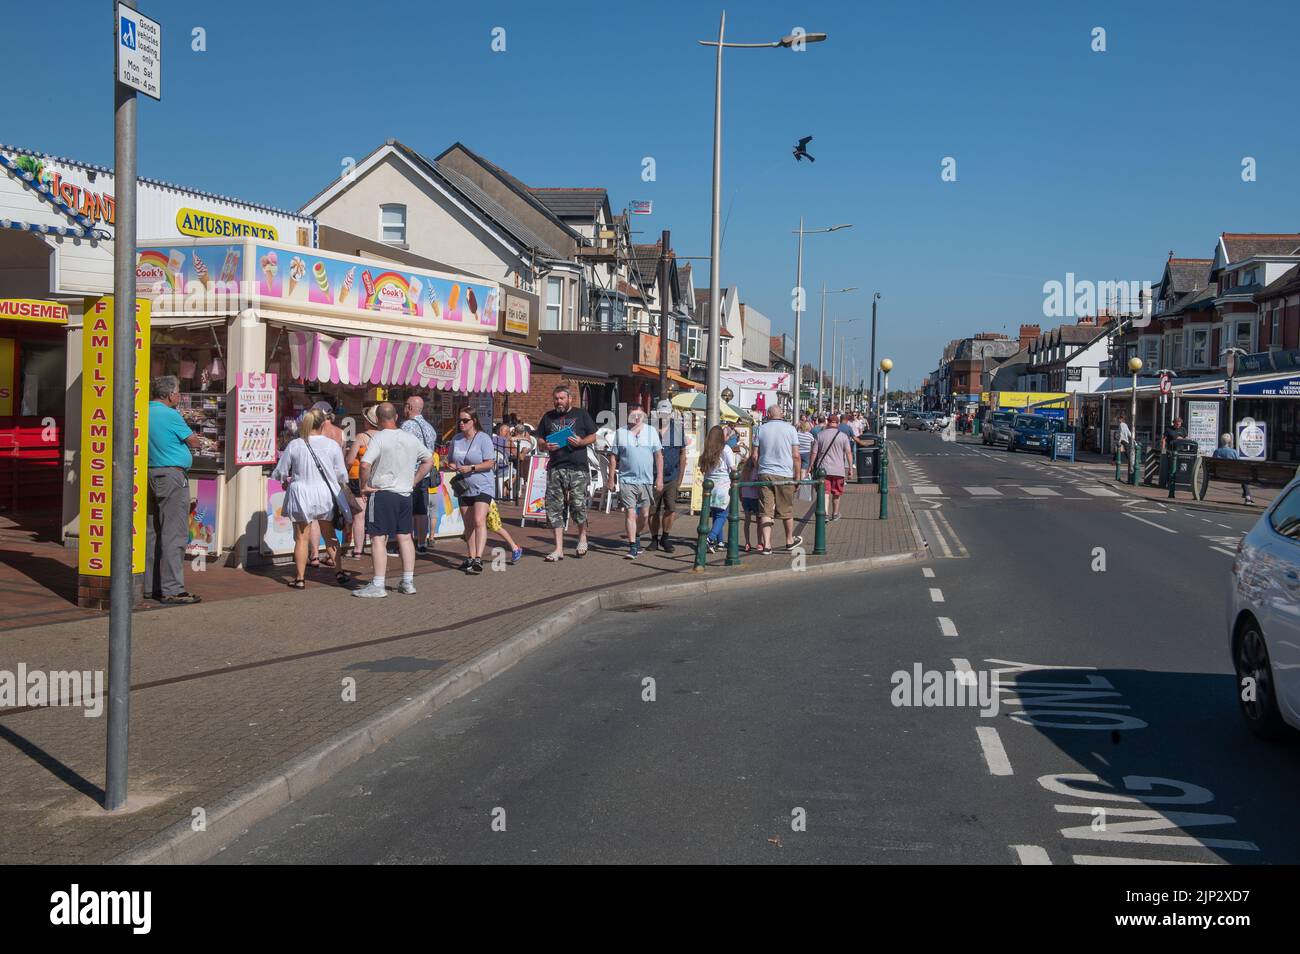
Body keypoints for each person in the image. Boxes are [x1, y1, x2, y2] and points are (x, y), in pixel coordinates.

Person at [353, 402, 435, 598]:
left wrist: (364, 486)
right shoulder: (409, 438)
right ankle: (408, 581)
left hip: (382, 493)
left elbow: (364, 465)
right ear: (396, 417)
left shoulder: (379, 438)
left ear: (378, 419)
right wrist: (414, 481)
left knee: (378, 538)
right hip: (405, 494)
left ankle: (379, 584)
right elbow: (429, 460)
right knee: (405, 536)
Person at [271, 408, 352, 588]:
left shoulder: (296, 444)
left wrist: (286, 480)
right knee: (329, 534)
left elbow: (280, 472)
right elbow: (342, 475)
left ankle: (300, 578)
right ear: (323, 424)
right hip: (324, 494)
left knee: (301, 538)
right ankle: (338, 571)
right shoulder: (331, 445)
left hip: (301, 494)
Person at [145, 376, 203, 605]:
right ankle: (172, 589)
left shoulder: (143, 411)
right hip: (171, 476)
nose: (179, 396)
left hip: (149, 473)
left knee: (152, 533)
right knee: (174, 533)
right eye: (178, 392)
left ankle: (149, 585)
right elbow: (194, 442)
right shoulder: (170, 415)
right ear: (169, 394)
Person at [537, 385, 598, 561]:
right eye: (556, 399)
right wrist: (544, 445)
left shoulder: (581, 414)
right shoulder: (548, 417)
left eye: (562, 398)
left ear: (570, 399)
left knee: (577, 505)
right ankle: (558, 549)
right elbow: (540, 437)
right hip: (556, 466)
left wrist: (581, 442)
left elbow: (593, 435)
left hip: (577, 467)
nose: (558, 402)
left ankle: (582, 538)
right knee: (554, 507)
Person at [447, 408, 500, 574]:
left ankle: (478, 558)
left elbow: (490, 463)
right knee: (468, 523)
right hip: (463, 486)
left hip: (483, 485)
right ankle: (470, 556)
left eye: (465, 420)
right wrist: (452, 466)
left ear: (474, 421)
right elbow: (450, 460)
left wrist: (471, 467)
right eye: (460, 421)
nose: (461, 423)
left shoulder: (483, 439)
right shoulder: (456, 439)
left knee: (478, 520)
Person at [607, 407, 663, 559]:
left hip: (646, 479)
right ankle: (632, 546)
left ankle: (637, 534)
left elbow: (658, 455)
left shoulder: (651, 431)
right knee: (630, 513)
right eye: (634, 415)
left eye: (640, 415)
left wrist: (659, 478)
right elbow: (613, 457)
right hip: (627, 479)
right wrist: (611, 478)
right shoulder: (620, 432)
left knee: (644, 515)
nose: (637, 418)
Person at [751, 405, 803, 555]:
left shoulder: (760, 429)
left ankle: (767, 545)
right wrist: (797, 477)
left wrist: (758, 469)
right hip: (784, 473)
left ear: (768, 415)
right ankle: (789, 541)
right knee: (786, 509)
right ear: (781, 414)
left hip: (765, 472)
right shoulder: (791, 429)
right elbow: (796, 456)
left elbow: (754, 455)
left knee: (765, 510)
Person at [401, 394, 440, 553]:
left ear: (409, 407)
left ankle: (407, 544)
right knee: (421, 511)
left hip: (410, 474)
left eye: (405, 405)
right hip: (425, 474)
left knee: (407, 512)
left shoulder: (407, 426)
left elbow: (401, 450)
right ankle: (422, 544)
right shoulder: (430, 428)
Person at [344, 404, 380, 560]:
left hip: (358, 479)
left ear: (367, 421)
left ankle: (358, 550)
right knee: (376, 515)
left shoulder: (361, 437)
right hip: (377, 479)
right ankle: (377, 547)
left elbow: (350, 460)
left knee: (359, 515)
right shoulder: (383, 436)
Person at [649, 401, 684, 552]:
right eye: (661, 413)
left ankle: (665, 537)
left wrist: (680, 478)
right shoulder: (649, 430)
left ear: (670, 414)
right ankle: (653, 539)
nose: (663, 416)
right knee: (653, 511)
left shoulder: (677, 430)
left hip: (672, 477)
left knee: (670, 509)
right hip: (653, 476)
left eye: (666, 413)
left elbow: (683, 454)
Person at [698, 425, 737, 552]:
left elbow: (702, 468)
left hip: (709, 487)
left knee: (715, 513)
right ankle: (710, 538)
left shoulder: (707, 450)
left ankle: (719, 542)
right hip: (723, 487)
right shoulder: (725, 449)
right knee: (722, 514)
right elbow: (733, 468)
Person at [811, 412, 855, 521]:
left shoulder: (820, 435)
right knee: (836, 493)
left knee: (825, 492)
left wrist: (811, 465)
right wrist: (850, 468)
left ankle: (825, 514)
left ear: (828, 422)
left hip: (823, 470)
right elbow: (849, 453)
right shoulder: (843, 436)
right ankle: (835, 513)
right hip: (838, 470)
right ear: (838, 423)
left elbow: (814, 453)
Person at [1213, 433, 1254, 505]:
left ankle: (1246, 495)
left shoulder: (1216, 451)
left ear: (1221, 441)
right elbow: (1239, 464)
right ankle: (1248, 498)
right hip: (1234, 475)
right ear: (1229, 442)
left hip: (1219, 474)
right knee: (1244, 477)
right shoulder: (1234, 452)